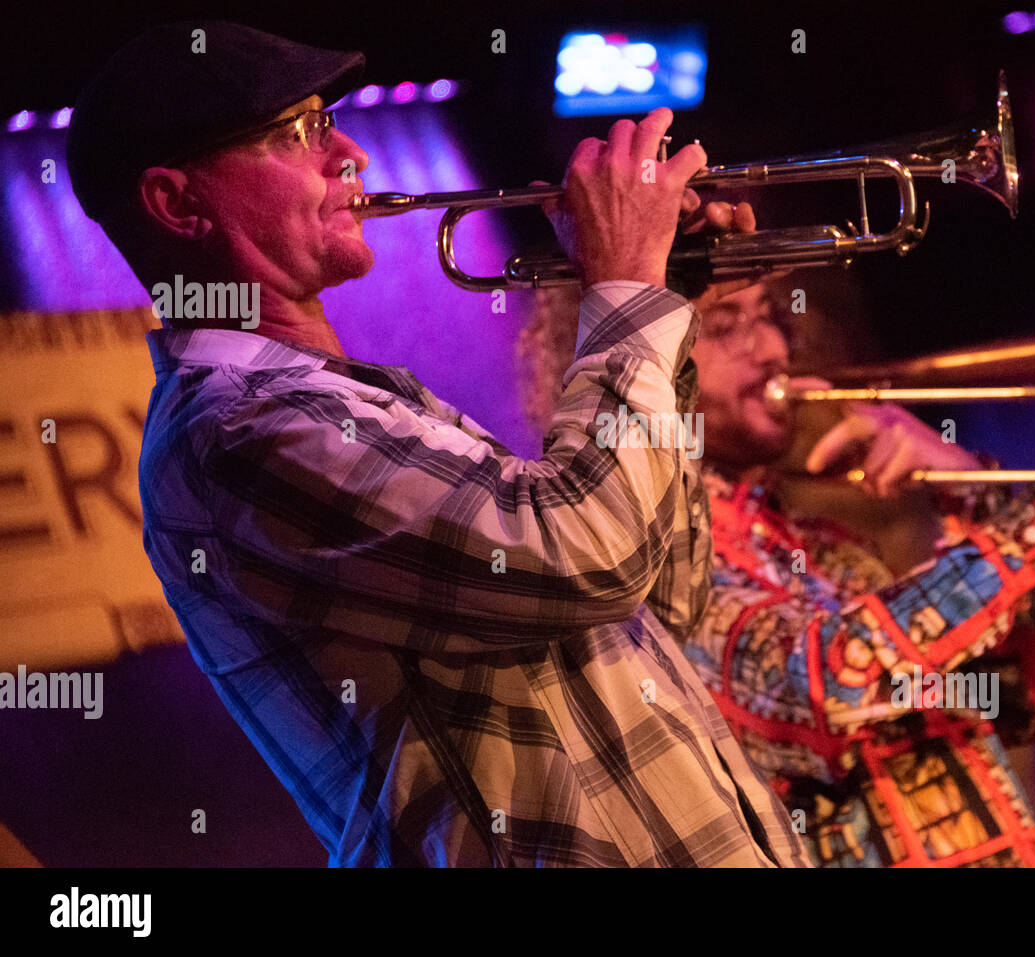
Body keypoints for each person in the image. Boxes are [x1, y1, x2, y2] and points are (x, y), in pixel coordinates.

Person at [66, 20, 809, 867]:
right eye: (296, 131)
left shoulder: (347, 402)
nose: (351, 152)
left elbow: (659, 600)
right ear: (176, 202)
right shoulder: (238, 431)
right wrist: (625, 292)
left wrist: (662, 305)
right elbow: (590, 554)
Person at [520, 272, 1035, 866]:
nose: (773, 346)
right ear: (637, 359)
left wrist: (970, 490)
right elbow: (825, 685)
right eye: (723, 325)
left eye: (772, 315)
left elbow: (1021, 699)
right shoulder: (653, 565)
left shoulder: (819, 548)